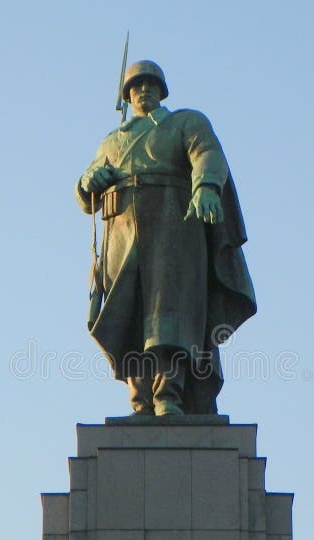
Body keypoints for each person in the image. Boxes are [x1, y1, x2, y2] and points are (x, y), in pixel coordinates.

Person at [75, 60, 256, 416]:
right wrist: (88, 182)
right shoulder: (113, 140)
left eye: (150, 85)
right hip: (122, 229)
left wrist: (205, 187)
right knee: (129, 313)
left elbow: (207, 153)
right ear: (127, 95)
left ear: (162, 91)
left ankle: (167, 394)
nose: (144, 90)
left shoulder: (185, 122)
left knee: (167, 313)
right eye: (136, 86)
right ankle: (139, 398)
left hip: (172, 225)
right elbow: (85, 193)